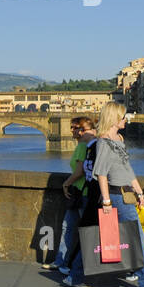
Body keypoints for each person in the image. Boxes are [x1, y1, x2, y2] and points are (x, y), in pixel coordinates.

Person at [65, 102, 144, 287]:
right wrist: (106, 200)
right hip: (115, 196)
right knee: (137, 240)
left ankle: (74, 276)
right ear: (114, 119)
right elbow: (101, 173)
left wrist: (138, 190)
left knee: (97, 236)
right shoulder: (103, 142)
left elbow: (126, 168)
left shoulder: (118, 139)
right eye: (122, 117)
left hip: (123, 194)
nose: (125, 120)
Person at [42, 117, 94, 275]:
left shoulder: (82, 147)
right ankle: (62, 261)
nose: (71, 130)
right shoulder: (89, 145)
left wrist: (66, 183)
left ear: (83, 130)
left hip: (81, 194)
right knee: (69, 228)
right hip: (79, 194)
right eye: (71, 127)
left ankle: (75, 265)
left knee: (79, 231)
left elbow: (80, 171)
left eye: (74, 127)